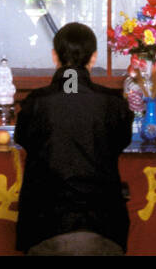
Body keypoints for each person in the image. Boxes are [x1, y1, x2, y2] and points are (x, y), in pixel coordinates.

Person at [15, 21, 133, 255]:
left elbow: (23, 139)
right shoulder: (113, 104)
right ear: (94, 58)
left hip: (45, 226)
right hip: (103, 226)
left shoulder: (36, 103)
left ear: (54, 56)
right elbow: (122, 141)